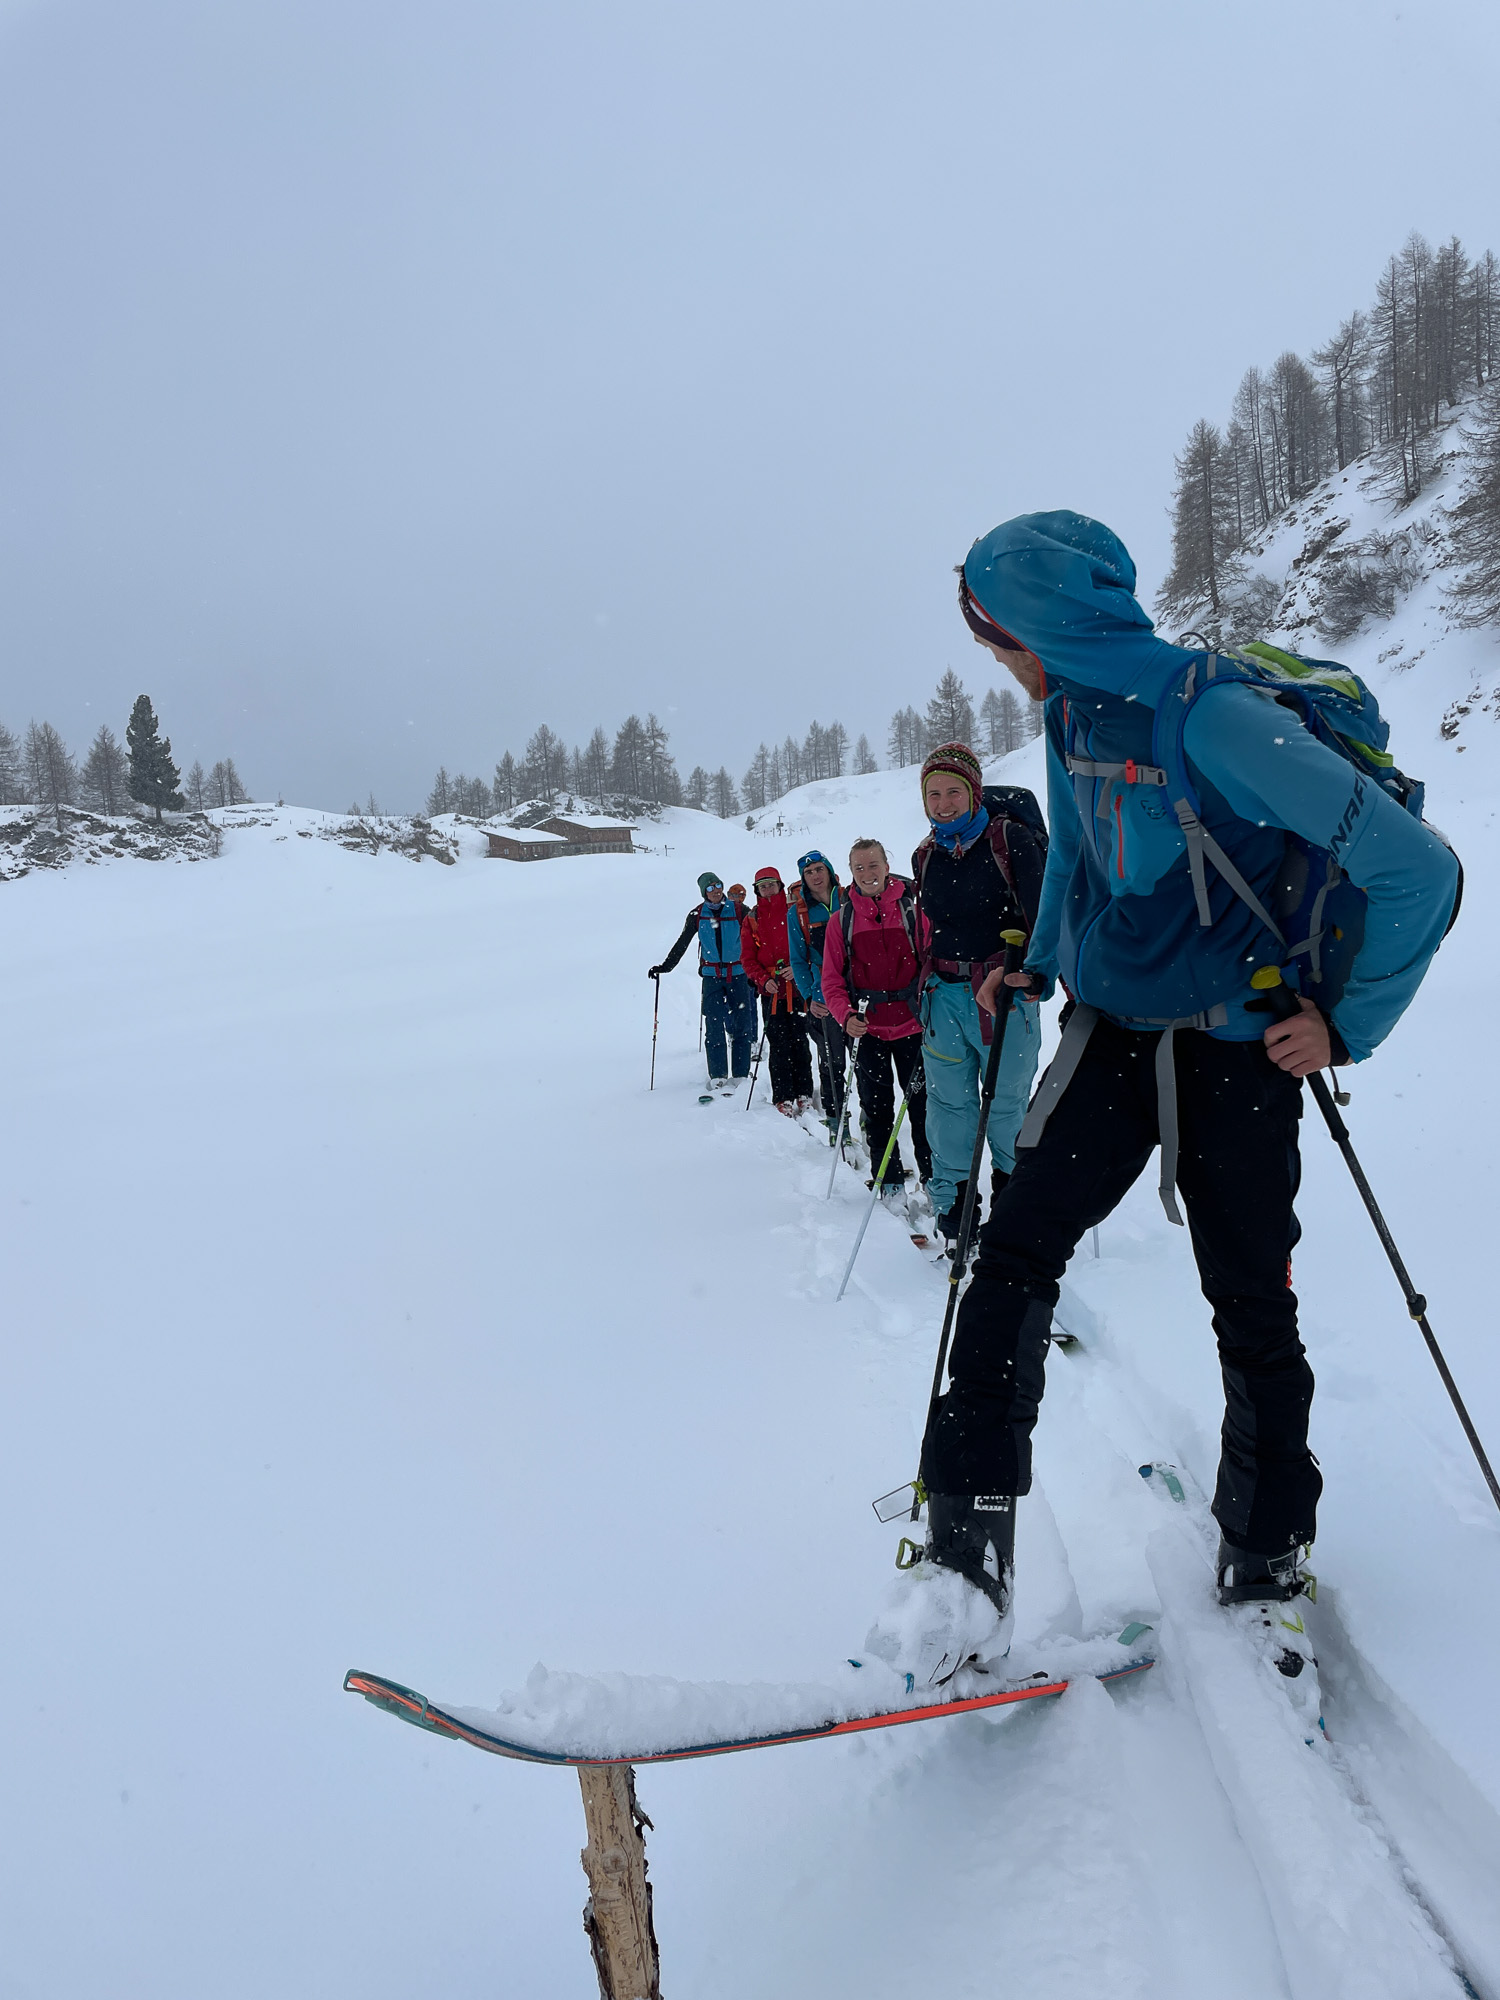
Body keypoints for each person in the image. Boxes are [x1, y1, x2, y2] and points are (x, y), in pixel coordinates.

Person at [869, 509, 1460, 1689]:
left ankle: (1265, 1554)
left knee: (1250, 1297)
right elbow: (1079, 856)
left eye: (1000, 638)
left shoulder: (1213, 715)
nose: (1000, 660)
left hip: (1241, 1047)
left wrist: (1345, 1022)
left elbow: (1420, 868)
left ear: (1045, 626)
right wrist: (1036, 958)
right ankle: (966, 1560)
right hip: (1108, 1032)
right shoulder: (1070, 710)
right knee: (1011, 1254)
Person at [911, 743, 1047, 1255]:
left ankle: (1013, 1212)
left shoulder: (1011, 840)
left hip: (1002, 999)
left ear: (974, 792)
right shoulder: (926, 854)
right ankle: (956, 1213)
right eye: (933, 794)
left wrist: (1030, 976)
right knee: (949, 1107)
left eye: (954, 792)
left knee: (1007, 1106)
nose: (943, 804)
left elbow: (1044, 920)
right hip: (943, 996)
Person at [821, 839, 933, 1197]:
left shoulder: (913, 911)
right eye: (859, 867)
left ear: (887, 866)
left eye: (873, 865)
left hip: (914, 1026)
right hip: (868, 1030)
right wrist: (845, 1016)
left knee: (925, 1109)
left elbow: (933, 964)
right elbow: (831, 980)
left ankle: (934, 1180)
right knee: (877, 1110)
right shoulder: (842, 921)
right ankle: (889, 1180)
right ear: (850, 872)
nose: (867, 874)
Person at [648, 872, 756, 1089]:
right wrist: (666, 967)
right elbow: (682, 943)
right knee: (714, 1025)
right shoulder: (697, 915)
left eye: (718, 885)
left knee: (742, 1025)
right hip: (711, 976)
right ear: (703, 892)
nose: (716, 890)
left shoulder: (739, 910)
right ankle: (718, 1075)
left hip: (738, 974)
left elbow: (756, 937)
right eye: (710, 888)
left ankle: (741, 1074)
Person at [740, 864, 816, 1114]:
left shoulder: (795, 911)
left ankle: (804, 1092)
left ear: (780, 885)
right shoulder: (752, 919)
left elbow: (809, 947)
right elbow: (748, 958)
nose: (767, 889)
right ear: (756, 891)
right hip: (771, 992)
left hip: (797, 987)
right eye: (762, 886)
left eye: (771, 884)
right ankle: (783, 1095)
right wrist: (763, 980)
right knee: (778, 1043)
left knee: (800, 1040)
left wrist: (799, 968)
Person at [787, 851, 849, 1126]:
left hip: (860, 991)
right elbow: (798, 960)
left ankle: (871, 1116)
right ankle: (836, 1119)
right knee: (832, 1063)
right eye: (809, 872)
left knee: (868, 1062)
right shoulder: (798, 914)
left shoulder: (850, 899)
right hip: (824, 996)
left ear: (830, 870)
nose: (815, 875)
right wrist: (810, 996)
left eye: (819, 869)